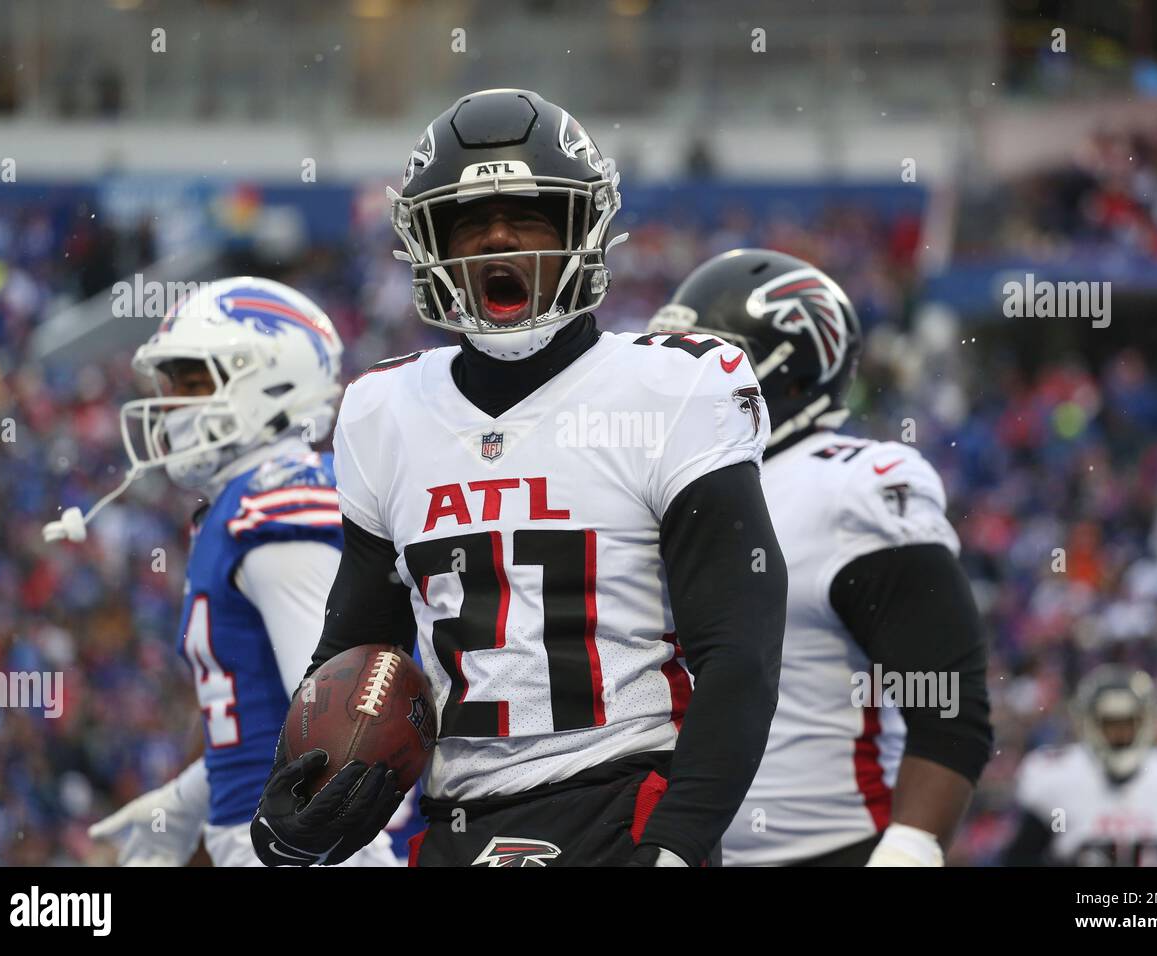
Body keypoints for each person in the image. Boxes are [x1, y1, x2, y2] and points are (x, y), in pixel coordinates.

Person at [250, 89, 788, 868]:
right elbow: (356, 652)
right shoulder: (383, 410)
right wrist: (296, 808)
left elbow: (740, 650)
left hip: (621, 801)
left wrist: (676, 845)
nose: (498, 239)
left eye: (529, 214)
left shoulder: (675, 388)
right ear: (430, 244)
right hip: (454, 823)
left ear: (582, 230)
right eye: (470, 222)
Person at [649, 249, 992, 866]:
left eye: (708, 359)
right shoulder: (659, 487)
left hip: (836, 847)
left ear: (794, 376)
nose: (679, 383)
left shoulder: (846, 488)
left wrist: (909, 849)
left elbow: (949, 705)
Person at [45, 276, 399, 867]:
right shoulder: (238, 505)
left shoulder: (278, 507)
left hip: (299, 848)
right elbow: (267, 728)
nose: (171, 403)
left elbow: (346, 724)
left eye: (192, 381)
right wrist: (186, 802)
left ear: (268, 377)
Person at [1003, 664, 1157, 866]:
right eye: (1110, 723)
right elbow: (1022, 857)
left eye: (1128, 723)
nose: (1119, 733)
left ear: (1147, 722)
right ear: (1090, 723)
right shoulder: (1056, 778)